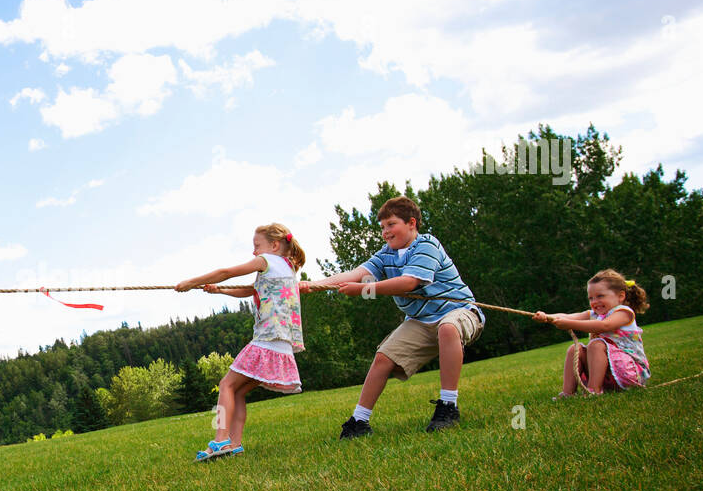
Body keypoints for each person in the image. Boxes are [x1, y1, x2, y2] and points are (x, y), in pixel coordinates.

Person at [303, 195, 483, 437]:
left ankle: (448, 407)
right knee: (383, 358)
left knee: (448, 328)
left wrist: (365, 290)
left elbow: (408, 283)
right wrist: (314, 285)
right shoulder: (385, 254)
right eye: (382, 227)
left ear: (411, 223)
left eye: (391, 224)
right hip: (420, 322)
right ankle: (359, 422)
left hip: (459, 312)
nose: (386, 232)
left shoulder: (427, 245)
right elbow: (357, 273)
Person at [176, 223, 306, 461]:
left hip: (267, 340)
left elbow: (226, 272)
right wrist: (220, 292)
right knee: (236, 392)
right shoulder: (288, 266)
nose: (254, 252)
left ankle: (219, 441)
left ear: (274, 245)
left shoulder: (266, 260)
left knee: (226, 385)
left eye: (257, 246)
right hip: (282, 344)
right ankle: (234, 444)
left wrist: (190, 282)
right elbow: (252, 289)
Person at [533, 269, 650, 396]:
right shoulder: (594, 314)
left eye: (600, 296)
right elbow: (568, 316)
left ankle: (594, 390)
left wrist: (570, 325)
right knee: (574, 349)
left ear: (620, 296)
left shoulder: (624, 312)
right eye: (591, 298)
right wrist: (546, 316)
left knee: (596, 344)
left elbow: (604, 326)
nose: (594, 302)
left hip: (630, 373)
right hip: (608, 373)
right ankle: (567, 393)